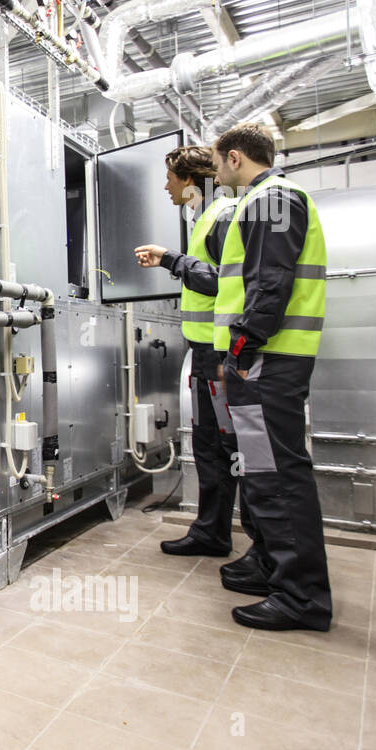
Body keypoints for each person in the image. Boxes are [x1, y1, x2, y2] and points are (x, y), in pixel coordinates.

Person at [211, 122, 331, 632]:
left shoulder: (273, 199)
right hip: (266, 358)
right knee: (263, 472)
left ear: (236, 158)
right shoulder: (267, 200)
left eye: (218, 162)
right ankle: (271, 564)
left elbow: (270, 282)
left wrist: (241, 345)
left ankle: (301, 597)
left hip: (267, 358)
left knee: (278, 475)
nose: (216, 172)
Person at [133, 147, 239, 557]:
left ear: (189, 180)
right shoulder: (204, 217)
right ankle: (211, 533)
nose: (166, 186)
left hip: (219, 354)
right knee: (209, 445)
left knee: (226, 447)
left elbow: (224, 282)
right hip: (204, 351)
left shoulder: (221, 217)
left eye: (171, 179)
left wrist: (171, 259)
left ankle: (235, 539)